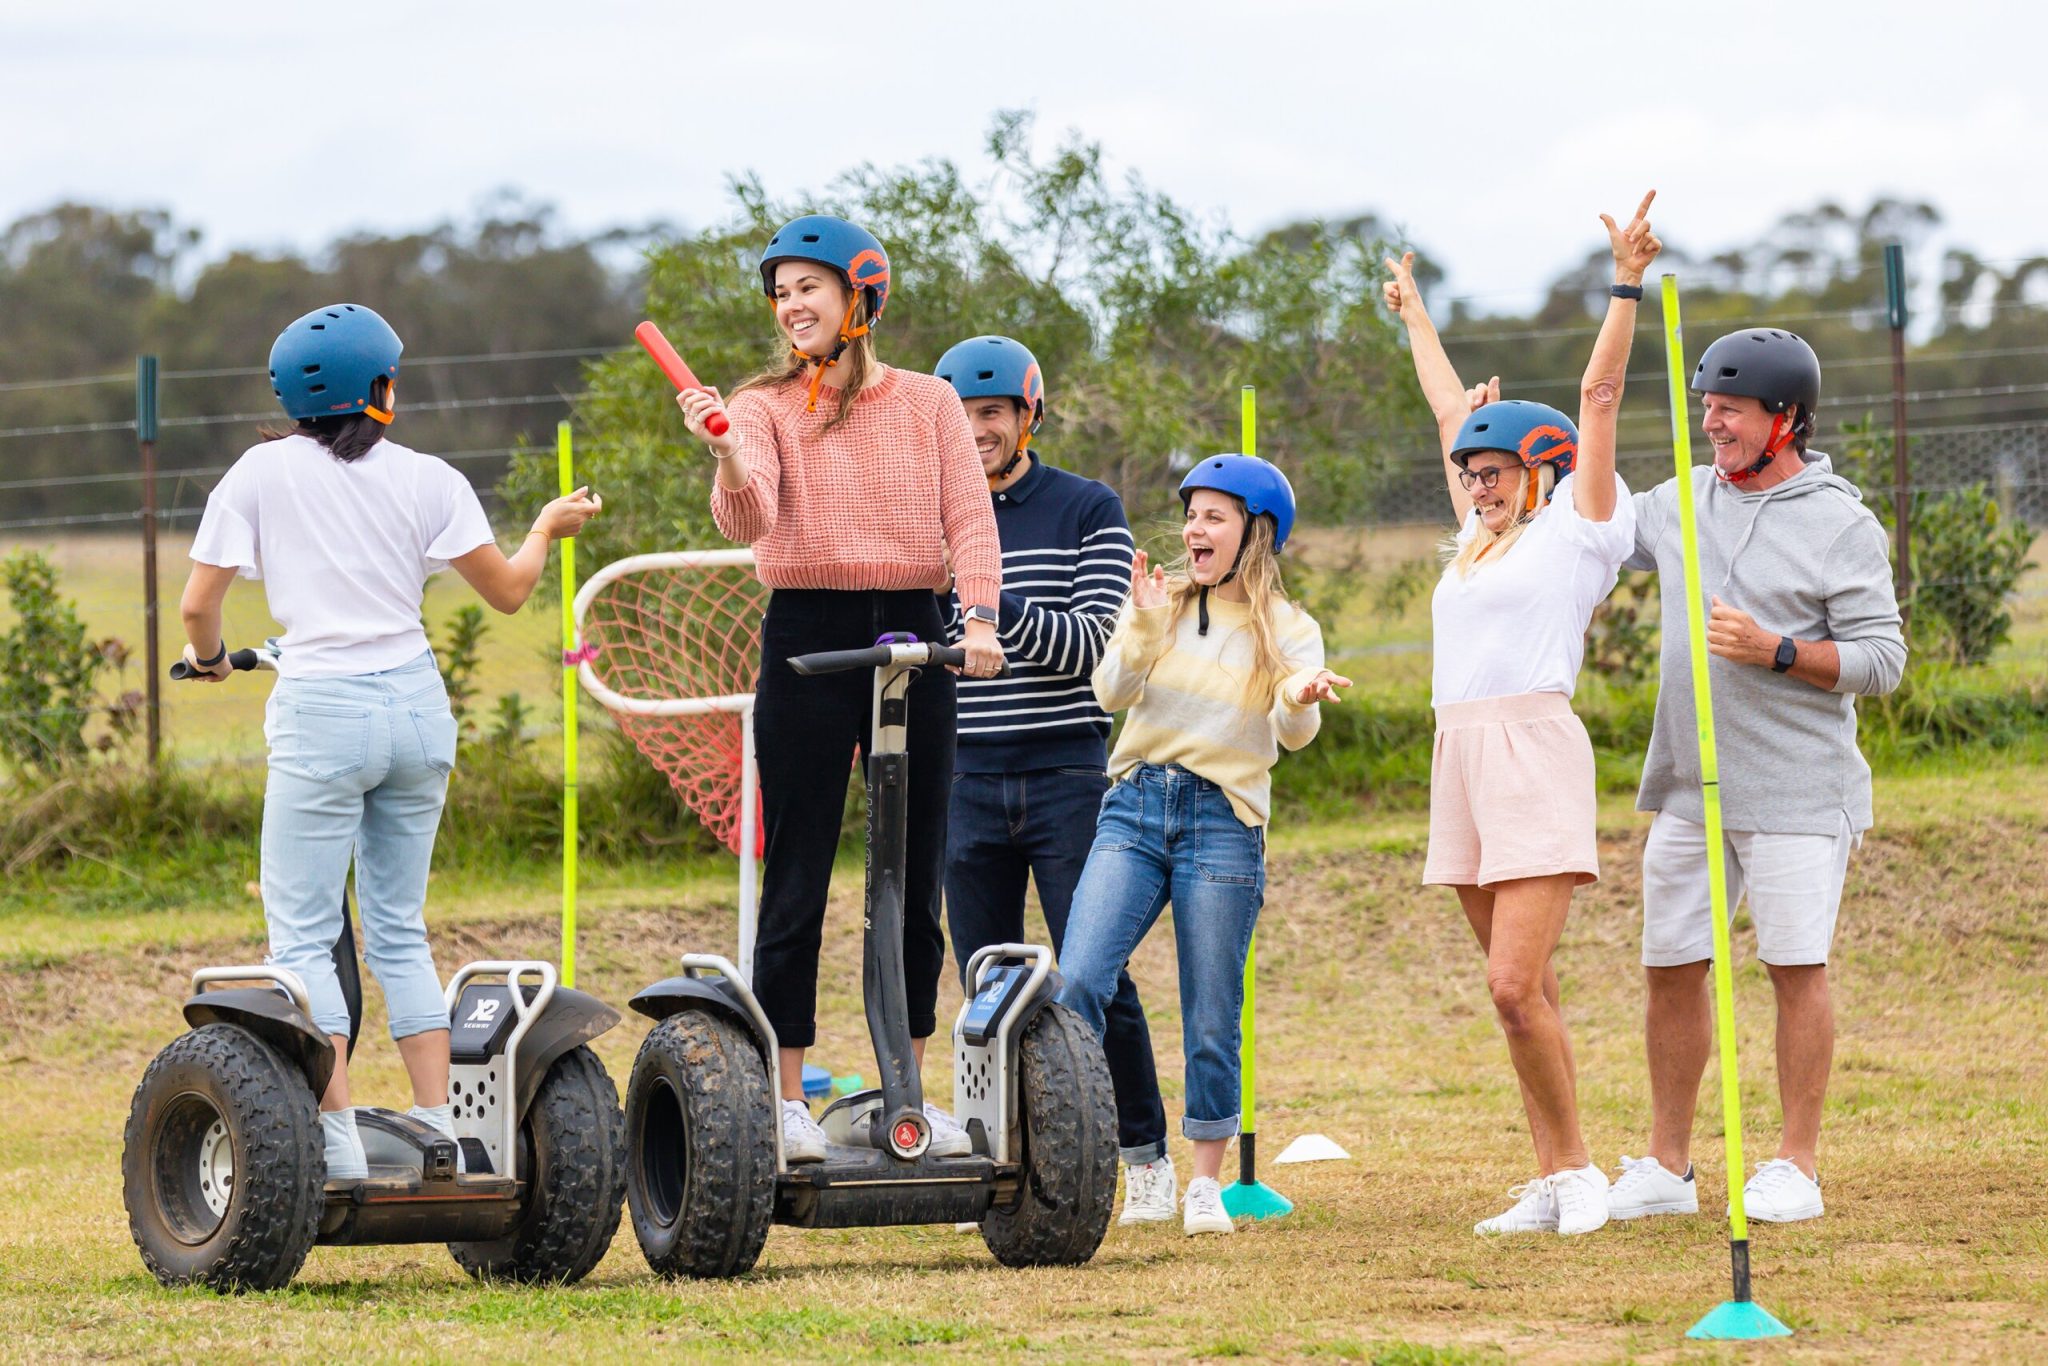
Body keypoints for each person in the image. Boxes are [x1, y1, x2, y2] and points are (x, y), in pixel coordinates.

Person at [179, 302, 601, 1180]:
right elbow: (510, 591)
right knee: (399, 929)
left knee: (302, 938)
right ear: (378, 391)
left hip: (322, 713)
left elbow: (196, 606)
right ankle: (439, 1124)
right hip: (415, 706)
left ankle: (334, 1139)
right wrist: (544, 530)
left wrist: (212, 660)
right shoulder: (430, 478)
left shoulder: (258, 473)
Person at [675, 215, 1004, 1163]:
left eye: (808, 287)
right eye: (780, 293)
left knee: (915, 865)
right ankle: (786, 1096)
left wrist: (979, 619)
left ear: (859, 296)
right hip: (807, 633)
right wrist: (726, 450)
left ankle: (908, 1089)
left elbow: (968, 516)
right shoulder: (762, 404)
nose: (791, 305)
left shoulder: (930, 402)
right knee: (800, 866)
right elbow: (751, 519)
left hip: (914, 629)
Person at [1382, 192, 1662, 1237]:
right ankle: (1551, 1176)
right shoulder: (1475, 535)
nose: (1475, 485)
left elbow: (1597, 394)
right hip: (1457, 752)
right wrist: (1415, 313)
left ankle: (1579, 1171)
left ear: (1541, 471)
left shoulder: (1579, 526)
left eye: (1492, 473)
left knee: (1511, 985)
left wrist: (1624, 282)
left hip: (1532, 748)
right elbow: (1447, 413)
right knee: (1524, 988)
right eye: (1469, 475)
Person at [1605, 325, 1906, 1225]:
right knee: (1670, 965)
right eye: (1707, 407)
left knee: (1793, 967)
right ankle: (1667, 1167)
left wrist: (1779, 650)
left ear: (1786, 419)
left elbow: (1882, 661)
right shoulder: (1680, 499)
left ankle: (1794, 1167)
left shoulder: (1840, 524)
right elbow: (1595, 521)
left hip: (1798, 791)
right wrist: (1523, 448)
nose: (1712, 424)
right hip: (1689, 786)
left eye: (1730, 410)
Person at [1055, 453, 1349, 1236]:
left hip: (1223, 822)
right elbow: (1109, 693)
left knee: (1211, 1014)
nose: (1194, 529)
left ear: (1257, 533)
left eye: (1214, 516)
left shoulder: (1290, 629)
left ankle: (1205, 1186)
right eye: (1191, 515)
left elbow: (1294, 730)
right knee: (1079, 978)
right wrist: (1145, 623)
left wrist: (1299, 694)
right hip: (1135, 808)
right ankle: (1093, 1153)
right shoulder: (1161, 603)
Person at [933, 335, 1173, 1221]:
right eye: (960, 417)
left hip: (1067, 772)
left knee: (1094, 976)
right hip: (963, 779)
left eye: (992, 413)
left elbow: (1087, 648)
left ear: (1027, 416)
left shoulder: (1086, 507)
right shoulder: (931, 517)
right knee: (984, 982)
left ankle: (1144, 1155)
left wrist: (985, 603)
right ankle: (1002, 1161)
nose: (976, 431)